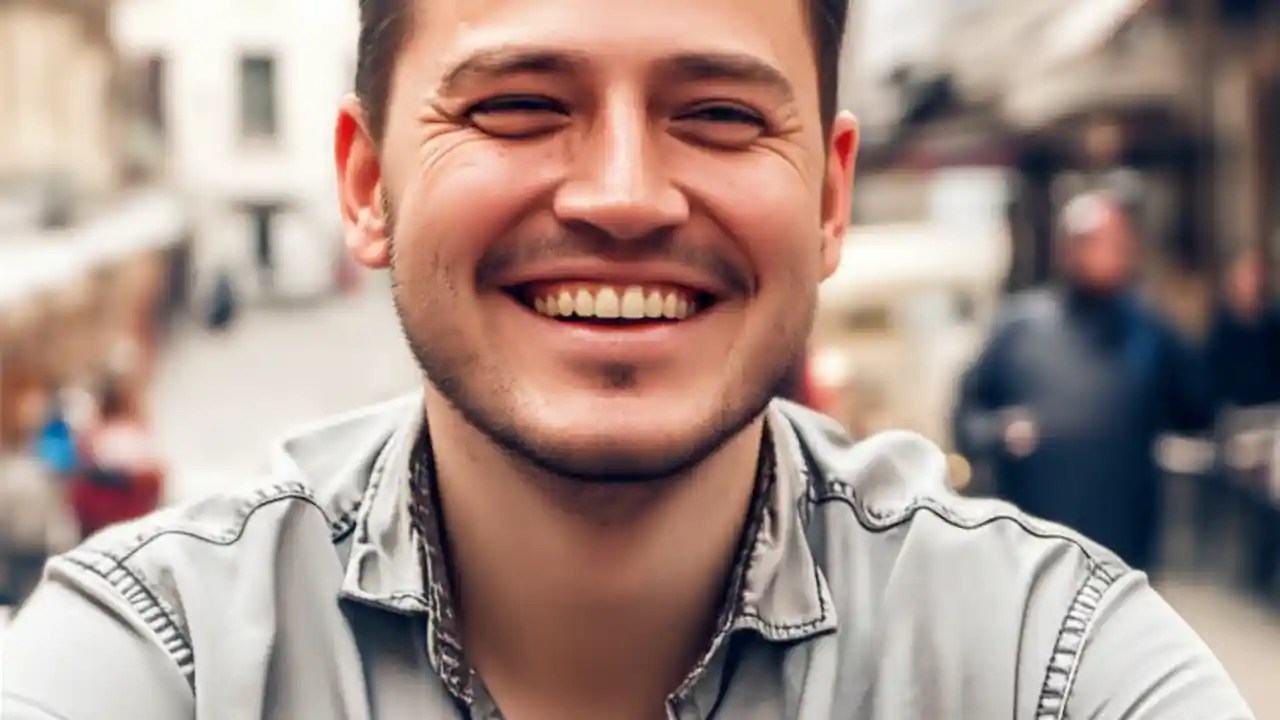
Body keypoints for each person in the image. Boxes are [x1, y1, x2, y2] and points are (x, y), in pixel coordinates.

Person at [4, 2, 1251, 718]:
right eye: (517, 106)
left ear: (829, 200)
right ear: (368, 183)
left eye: (716, 115)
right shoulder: (164, 657)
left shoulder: (1043, 661)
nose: (621, 196)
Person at [954, 192, 1213, 574]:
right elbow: (967, 419)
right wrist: (999, 432)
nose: (1104, 252)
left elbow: (1197, 412)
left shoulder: (1150, 332)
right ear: (1067, 248)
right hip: (1032, 552)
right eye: (1091, 240)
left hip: (1124, 553)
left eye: (1115, 240)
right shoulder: (1019, 329)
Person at [1206, 247, 1280, 410]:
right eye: (1249, 275)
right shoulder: (1218, 335)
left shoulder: (1274, 328)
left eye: (1260, 274)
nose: (1257, 283)